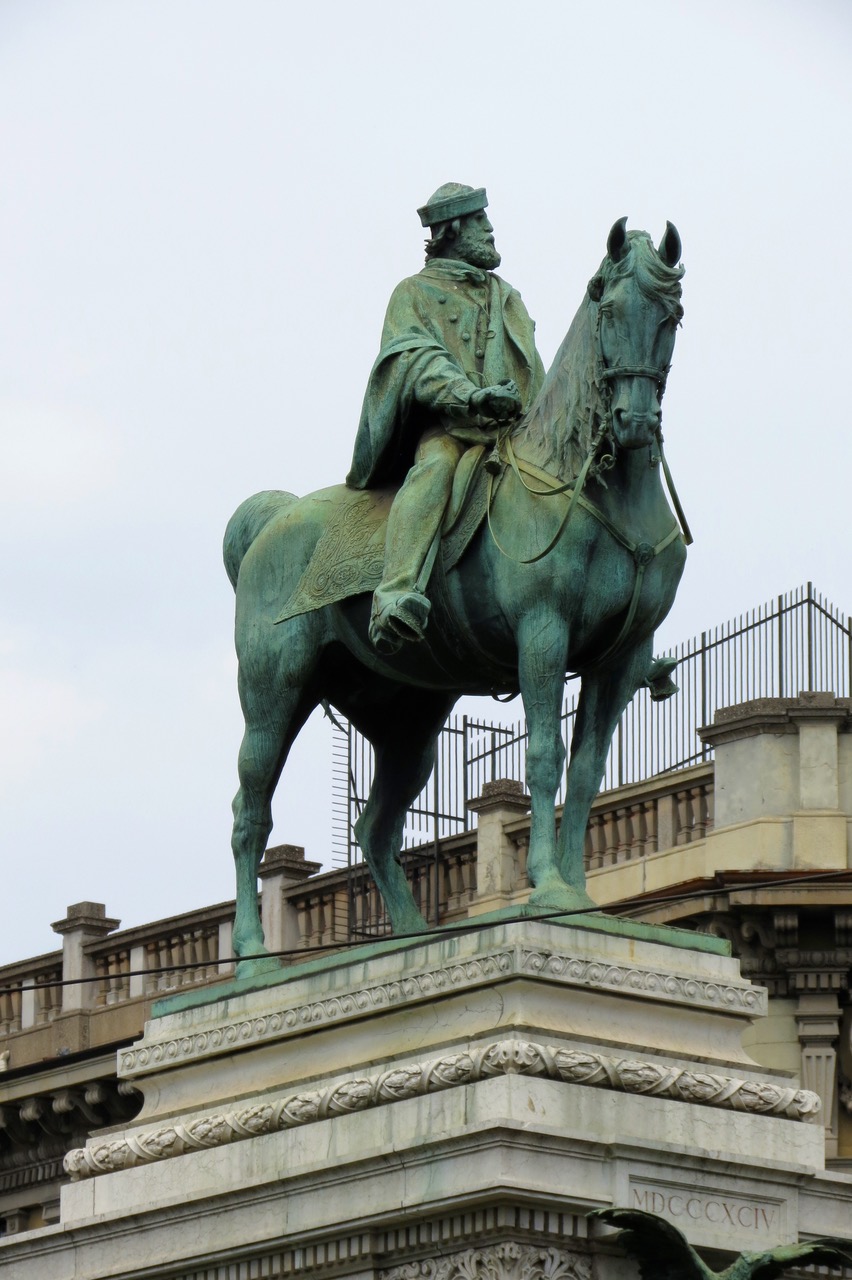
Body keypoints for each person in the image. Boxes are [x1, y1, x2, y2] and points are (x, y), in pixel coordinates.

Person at [347, 183, 545, 654]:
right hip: (453, 431)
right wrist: (471, 397)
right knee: (434, 470)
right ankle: (395, 597)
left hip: (516, 433)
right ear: (454, 230)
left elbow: (535, 367)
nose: (491, 229)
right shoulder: (413, 294)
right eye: (480, 221)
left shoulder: (506, 296)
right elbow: (414, 360)